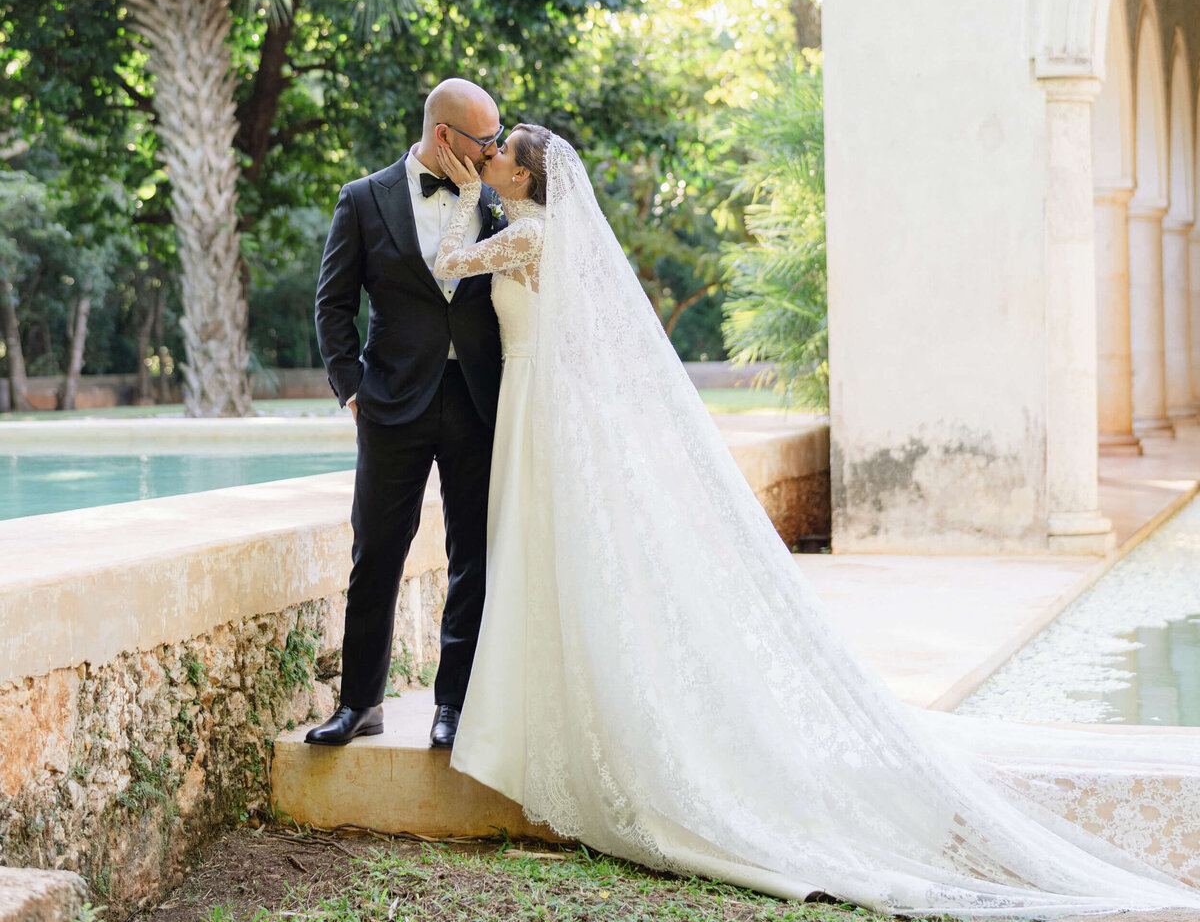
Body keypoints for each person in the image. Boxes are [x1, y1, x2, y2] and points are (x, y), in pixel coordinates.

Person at [428, 127, 1200, 920]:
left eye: (495, 156)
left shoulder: (526, 230)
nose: (485, 160)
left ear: (522, 173)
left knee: (535, 554)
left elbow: (447, 267)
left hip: (534, 406)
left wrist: (457, 197)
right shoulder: (542, 228)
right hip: (538, 404)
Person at [306, 78, 506, 750]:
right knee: (377, 555)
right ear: (446, 136)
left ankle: (452, 705)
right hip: (391, 401)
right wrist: (352, 387)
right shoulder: (364, 199)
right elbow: (332, 304)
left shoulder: (496, 200)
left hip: (477, 398)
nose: (497, 150)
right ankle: (359, 703)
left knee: (470, 555)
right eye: (487, 140)